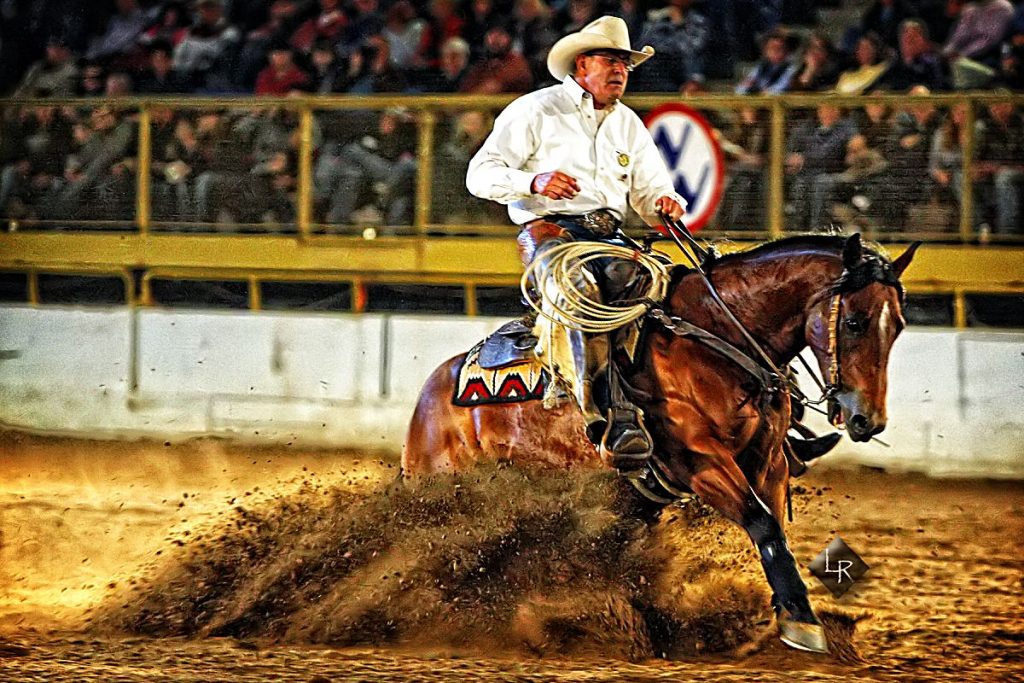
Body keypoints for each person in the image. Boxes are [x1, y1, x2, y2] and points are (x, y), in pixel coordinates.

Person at [466, 16, 682, 468]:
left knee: (665, 288)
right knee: (578, 287)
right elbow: (479, 175)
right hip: (551, 232)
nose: (620, 69)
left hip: (611, 237)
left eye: (625, 62)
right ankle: (604, 411)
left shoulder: (628, 124)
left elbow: (649, 192)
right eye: (611, 60)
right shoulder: (535, 110)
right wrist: (535, 181)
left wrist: (667, 202)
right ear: (582, 65)